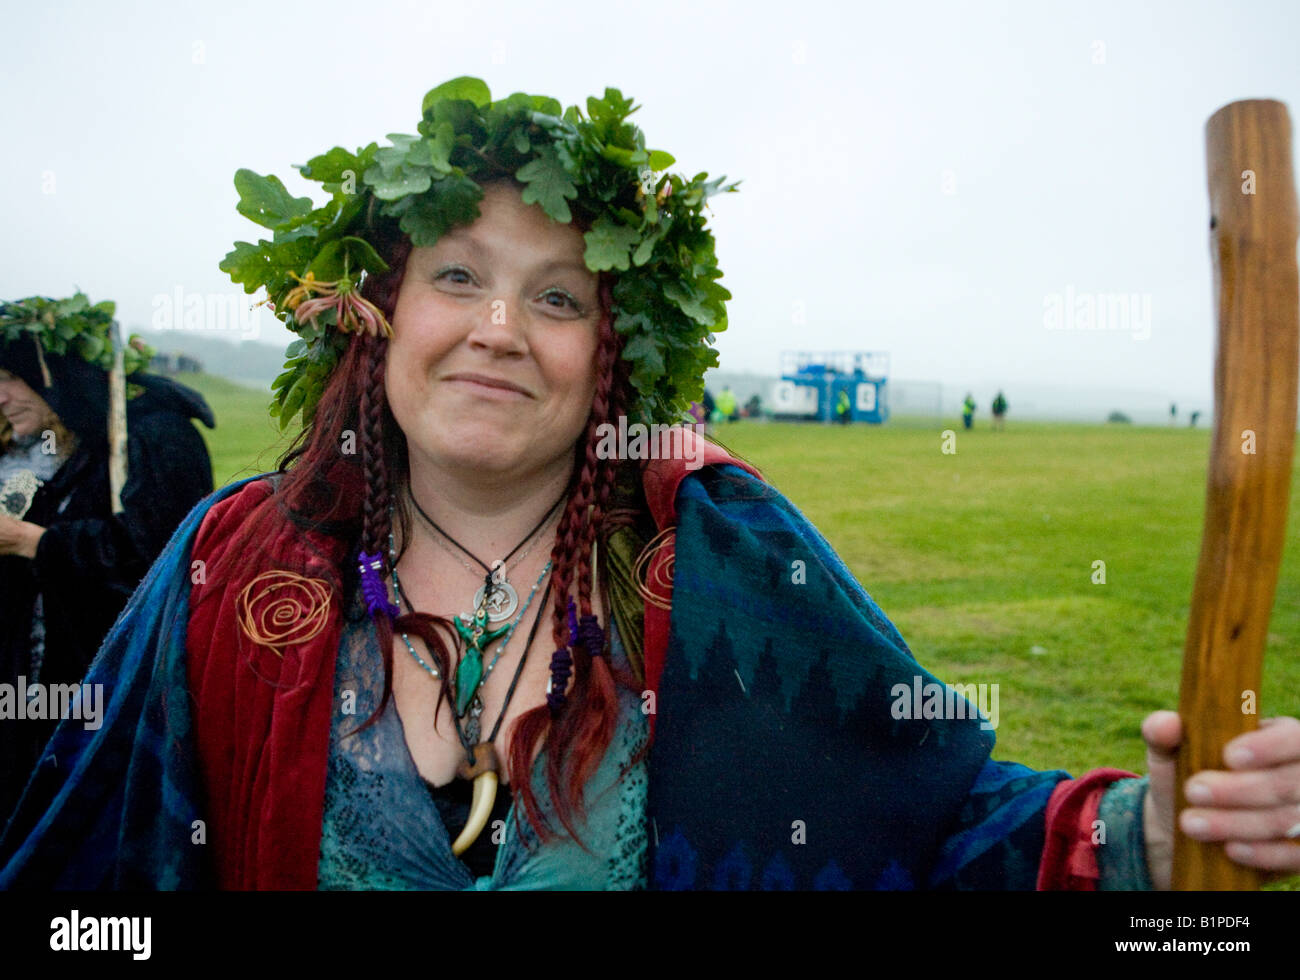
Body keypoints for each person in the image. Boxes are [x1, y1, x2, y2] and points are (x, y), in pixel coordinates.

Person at [4, 79, 1300, 892]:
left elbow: (934, 827)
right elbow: (80, 879)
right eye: (456, 275)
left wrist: (1149, 834)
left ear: (613, 360)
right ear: (373, 316)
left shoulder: (718, 549)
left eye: (559, 298)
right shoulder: (235, 564)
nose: (500, 327)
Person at [0, 304, 215, 825]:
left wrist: (36, 543)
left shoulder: (156, 435)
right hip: (52, 689)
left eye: (12, 377)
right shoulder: (83, 446)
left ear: (57, 374)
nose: (1, 396)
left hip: (125, 698)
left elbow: (157, 556)